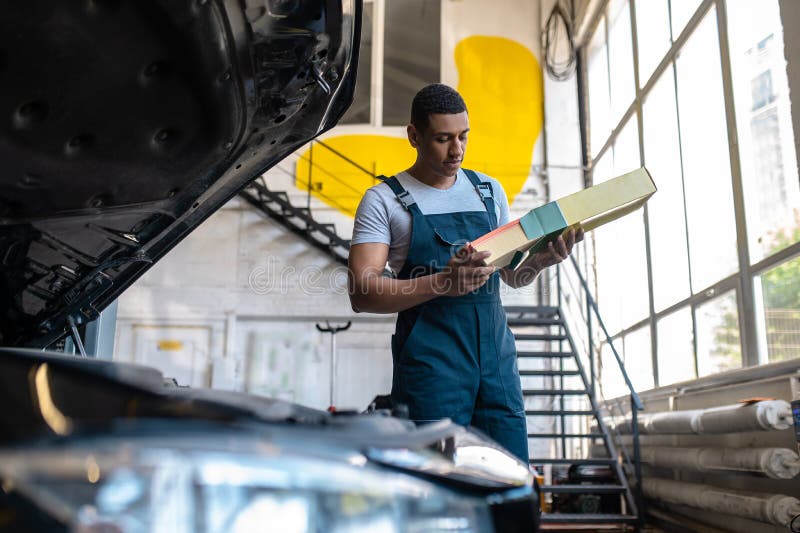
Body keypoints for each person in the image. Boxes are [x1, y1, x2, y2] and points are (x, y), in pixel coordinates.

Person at [347, 83, 582, 463]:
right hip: (431, 367)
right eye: (442, 139)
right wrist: (444, 282)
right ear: (414, 136)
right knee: (434, 481)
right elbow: (362, 292)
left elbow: (510, 276)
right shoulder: (385, 200)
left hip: (496, 362)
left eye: (463, 137)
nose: (456, 150)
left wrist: (539, 261)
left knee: (510, 475)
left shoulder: (489, 191)